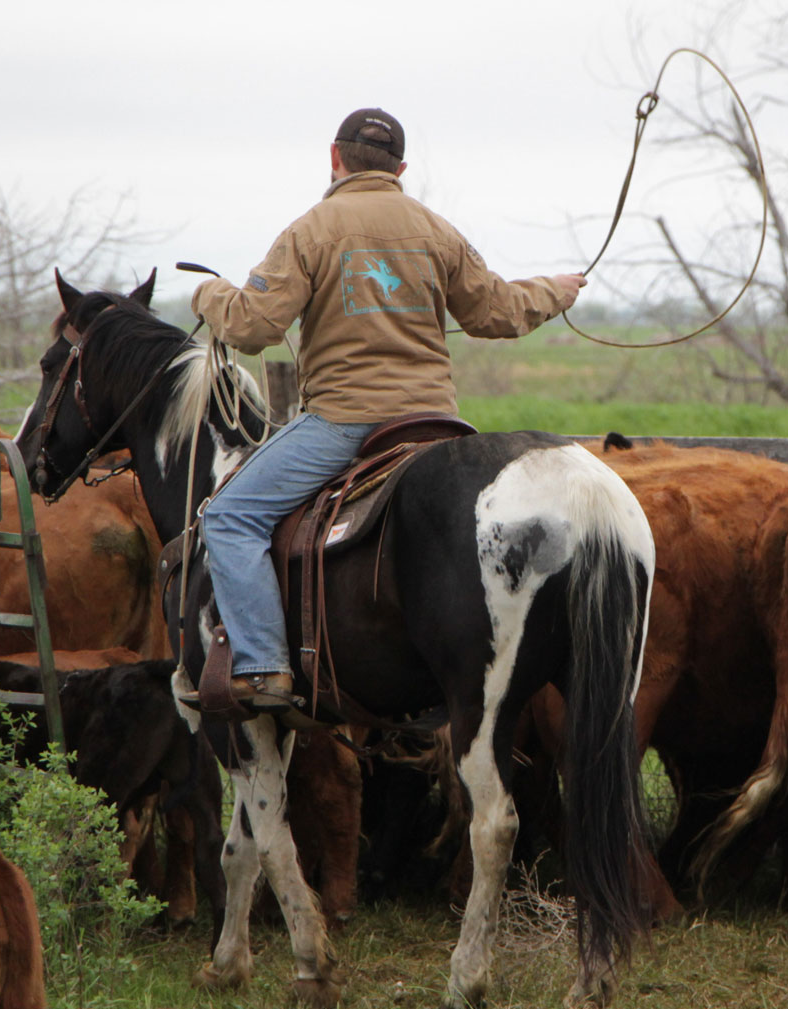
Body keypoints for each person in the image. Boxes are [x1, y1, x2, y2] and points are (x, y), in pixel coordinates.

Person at [179, 107, 587, 716]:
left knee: (231, 517)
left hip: (345, 425)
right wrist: (558, 288)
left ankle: (264, 666)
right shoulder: (436, 230)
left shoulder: (311, 231)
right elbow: (495, 312)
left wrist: (207, 293)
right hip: (437, 427)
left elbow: (252, 326)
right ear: (399, 169)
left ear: (335, 158)